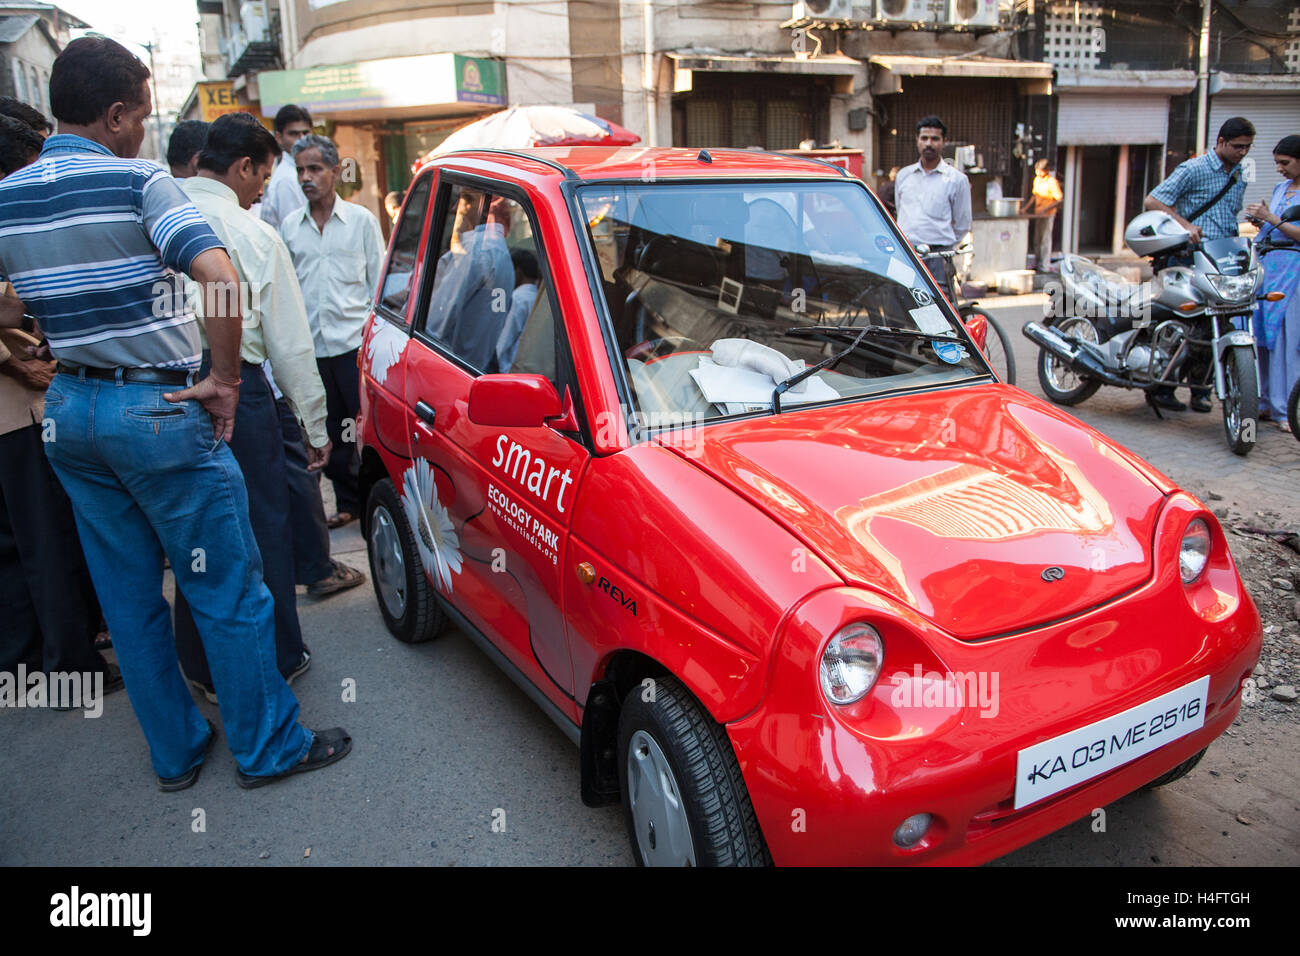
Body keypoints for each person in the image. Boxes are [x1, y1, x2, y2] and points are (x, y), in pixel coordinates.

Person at [0, 36, 349, 790]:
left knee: (129, 596)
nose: (143, 130)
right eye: (141, 116)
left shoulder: (10, 197)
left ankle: (176, 751)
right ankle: (267, 747)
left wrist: (43, 335)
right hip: (154, 405)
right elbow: (218, 276)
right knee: (225, 585)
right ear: (116, 113)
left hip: (71, 412)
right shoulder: (139, 183)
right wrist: (224, 380)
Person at [172, 112, 332, 700]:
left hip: (161, 390)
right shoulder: (252, 233)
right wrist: (314, 425)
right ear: (242, 167)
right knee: (261, 527)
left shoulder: (154, 216)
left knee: (190, 535)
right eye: (263, 175)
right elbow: (290, 344)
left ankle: (201, 667)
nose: (265, 188)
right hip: (241, 387)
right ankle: (275, 656)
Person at [0, 109, 120, 700]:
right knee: (45, 538)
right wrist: (13, 352)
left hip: (24, 404)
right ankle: (72, 670)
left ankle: (25, 664)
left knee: (16, 544)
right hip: (15, 412)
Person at [281, 133, 385, 529]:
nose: (306, 177)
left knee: (362, 427)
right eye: (300, 170)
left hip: (352, 346)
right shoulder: (290, 227)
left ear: (336, 171)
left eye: (315, 168)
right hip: (311, 347)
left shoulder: (360, 221)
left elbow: (378, 285)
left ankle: (369, 498)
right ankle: (348, 502)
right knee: (325, 429)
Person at [1145, 116, 1255, 412]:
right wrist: (1185, 225)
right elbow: (1153, 201)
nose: (1242, 152)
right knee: (1183, 326)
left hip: (1223, 261)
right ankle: (1162, 388)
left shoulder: (1240, 173)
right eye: (1237, 146)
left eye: (1247, 147)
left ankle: (1201, 390)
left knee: (1218, 324)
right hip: (1188, 258)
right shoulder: (1193, 169)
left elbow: (1230, 214)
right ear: (1220, 142)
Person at [1244, 134, 1300, 430]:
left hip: (1294, 270)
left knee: (1286, 340)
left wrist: (1271, 218)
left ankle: (1286, 410)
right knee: (1263, 337)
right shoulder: (1281, 188)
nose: (1279, 168)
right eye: (1277, 162)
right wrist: (1262, 221)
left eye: (1285, 163)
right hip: (1269, 267)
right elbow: (1276, 224)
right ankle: (1265, 401)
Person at [425, 188, 514, 373]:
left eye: (466, 199)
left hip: (452, 368)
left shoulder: (477, 251)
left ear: (488, 205)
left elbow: (435, 324)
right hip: (474, 367)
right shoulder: (499, 251)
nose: (458, 207)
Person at [894, 116, 972, 294]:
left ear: (944, 142)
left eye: (935, 139)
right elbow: (901, 212)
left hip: (938, 256)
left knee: (939, 310)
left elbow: (963, 223)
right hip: (907, 254)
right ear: (917, 140)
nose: (929, 143)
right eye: (924, 138)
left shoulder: (957, 180)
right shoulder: (904, 176)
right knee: (903, 307)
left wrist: (942, 244)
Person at [260, 104, 312, 230]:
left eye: (305, 133)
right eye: (294, 134)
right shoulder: (287, 179)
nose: (302, 139)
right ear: (279, 137)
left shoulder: (301, 171)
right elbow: (295, 233)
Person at [496, 248, 541, 372]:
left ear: (517, 272)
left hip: (506, 369)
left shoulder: (518, 298)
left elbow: (506, 338)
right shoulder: (536, 297)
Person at [1028, 158, 1062, 272]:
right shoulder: (1037, 180)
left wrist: (1046, 209)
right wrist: (1025, 208)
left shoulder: (1052, 182)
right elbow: (1034, 196)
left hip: (1048, 215)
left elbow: (1059, 199)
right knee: (1037, 239)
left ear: (1046, 170)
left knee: (1045, 239)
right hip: (1038, 214)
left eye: (1040, 170)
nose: (1038, 172)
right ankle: (1037, 263)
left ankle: (1044, 265)